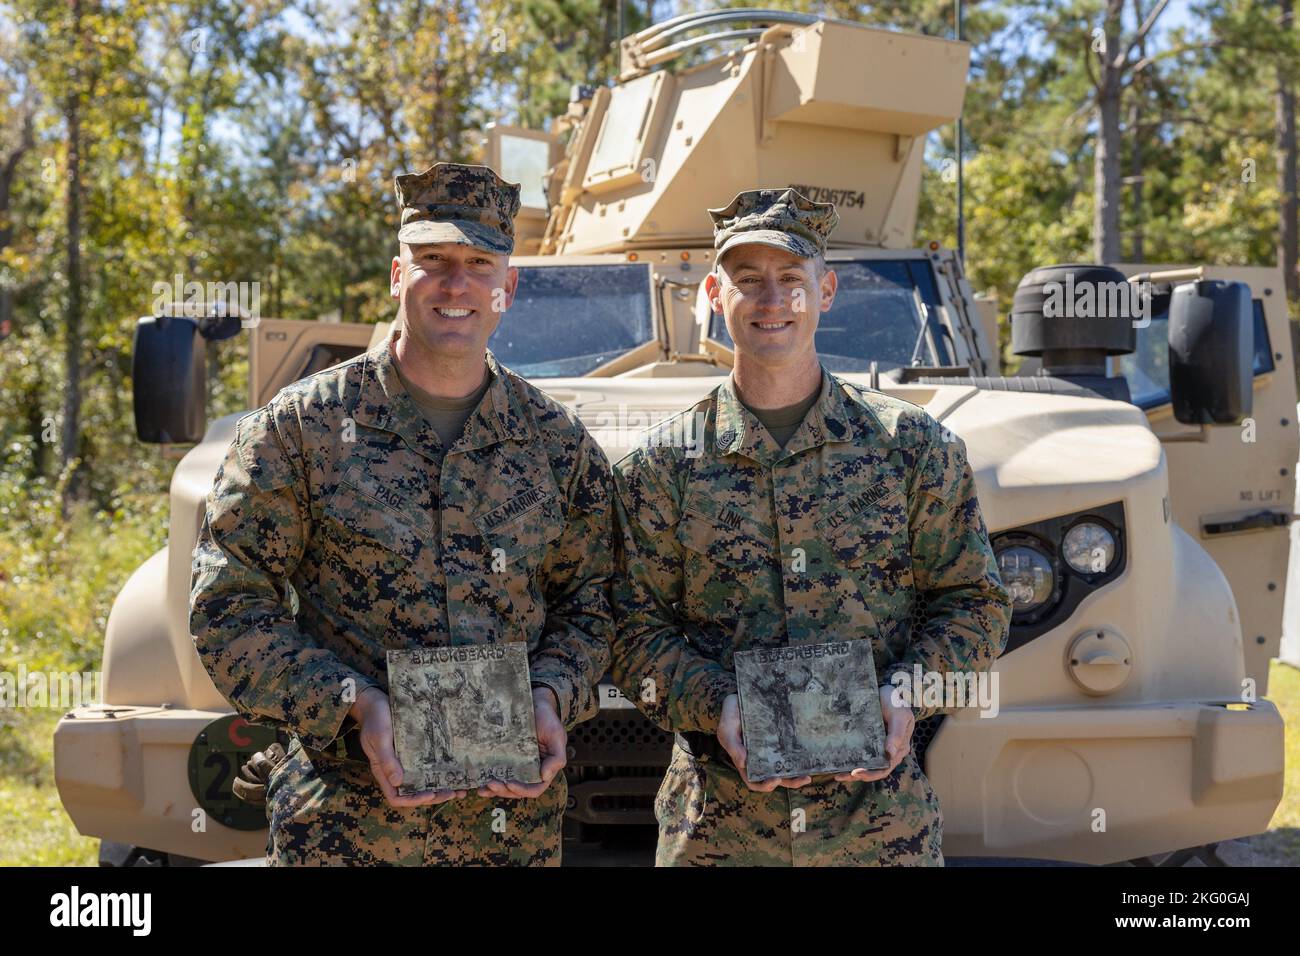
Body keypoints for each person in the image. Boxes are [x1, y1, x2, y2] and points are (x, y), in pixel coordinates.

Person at [190, 162, 614, 866]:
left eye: (480, 264)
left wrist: (550, 694)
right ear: (396, 274)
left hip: (509, 832)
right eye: (434, 261)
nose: (457, 285)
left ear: (508, 288)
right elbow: (229, 611)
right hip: (342, 827)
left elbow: (596, 606)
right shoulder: (297, 432)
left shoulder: (557, 446)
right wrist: (353, 703)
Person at [609, 187, 1011, 866]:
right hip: (718, 831)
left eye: (791, 280)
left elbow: (977, 605)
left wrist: (908, 691)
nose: (772, 302)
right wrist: (719, 706)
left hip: (879, 831)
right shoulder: (662, 467)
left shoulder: (911, 449)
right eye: (748, 280)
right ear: (714, 292)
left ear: (825, 291)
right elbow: (629, 629)